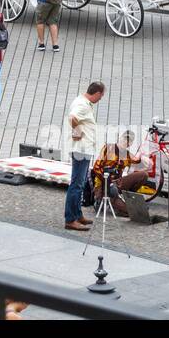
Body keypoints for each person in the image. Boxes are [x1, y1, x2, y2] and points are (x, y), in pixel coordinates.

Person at [63, 81, 104, 231]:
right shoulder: (83, 104)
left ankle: (77, 214)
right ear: (97, 93)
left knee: (79, 184)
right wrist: (78, 131)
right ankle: (70, 219)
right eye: (100, 97)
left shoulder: (81, 101)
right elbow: (73, 117)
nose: (100, 100)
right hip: (81, 149)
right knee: (77, 184)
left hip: (83, 149)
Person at [91, 132, 149, 216]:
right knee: (133, 211)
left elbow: (138, 161)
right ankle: (104, 200)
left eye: (129, 141)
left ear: (131, 144)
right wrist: (109, 183)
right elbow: (96, 168)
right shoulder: (108, 148)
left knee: (144, 175)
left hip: (117, 184)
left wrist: (145, 159)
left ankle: (127, 198)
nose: (126, 142)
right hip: (103, 185)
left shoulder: (127, 154)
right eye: (125, 138)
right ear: (120, 138)